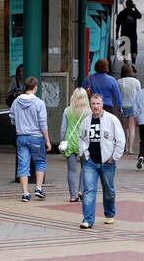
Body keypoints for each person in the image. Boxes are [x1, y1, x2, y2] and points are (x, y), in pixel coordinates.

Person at [78, 93, 126, 229]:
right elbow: (81, 138)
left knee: (108, 190)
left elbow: (120, 140)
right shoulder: (86, 120)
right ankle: (87, 219)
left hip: (107, 162)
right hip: (90, 162)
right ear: (90, 104)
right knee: (88, 190)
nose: (95, 106)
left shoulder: (112, 119)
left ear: (102, 104)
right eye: (93, 104)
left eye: (97, 103)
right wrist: (84, 153)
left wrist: (114, 157)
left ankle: (110, 213)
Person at [10, 74, 51, 202]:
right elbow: (43, 123)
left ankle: (25, 193)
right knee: (40, 161)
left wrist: (21, 124)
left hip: (21, 137)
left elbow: (12, 118)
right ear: (35, 88)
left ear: (24, 87)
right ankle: (38, 188)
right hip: (36, 137)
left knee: (23, 164)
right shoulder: (39, 103)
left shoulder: (16, 102)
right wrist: (47, 140)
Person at [60, 86, 90, 202]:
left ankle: (73, 195)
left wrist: (62, 141)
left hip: (70, 141)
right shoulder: (88, 112)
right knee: (85, 168)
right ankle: (81, 190)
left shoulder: (67, 110)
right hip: (83, 142)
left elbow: (63, 128)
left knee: (71, 170)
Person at [118, 64, 139, 155]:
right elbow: (139, 94)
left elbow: (117, 95)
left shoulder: (119, 81)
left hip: (123, 106)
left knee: (124, 128)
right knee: (132, 128)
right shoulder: (136, 81)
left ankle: (125, 147)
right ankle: (130, 149)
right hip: (133, 106)